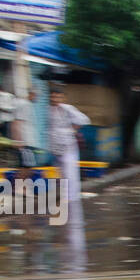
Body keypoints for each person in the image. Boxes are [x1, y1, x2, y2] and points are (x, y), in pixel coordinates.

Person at [47, 84, 90, 222]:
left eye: (58, 96)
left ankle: (72, 199)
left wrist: (73, 129)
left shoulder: (67, 109)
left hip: (68, 146)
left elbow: (84, 119)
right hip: (55, 146)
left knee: (70, 173)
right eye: (53, 96)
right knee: (61, 173)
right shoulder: (48, 110)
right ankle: (65, 197)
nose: (55, 98)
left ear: (63, 97)